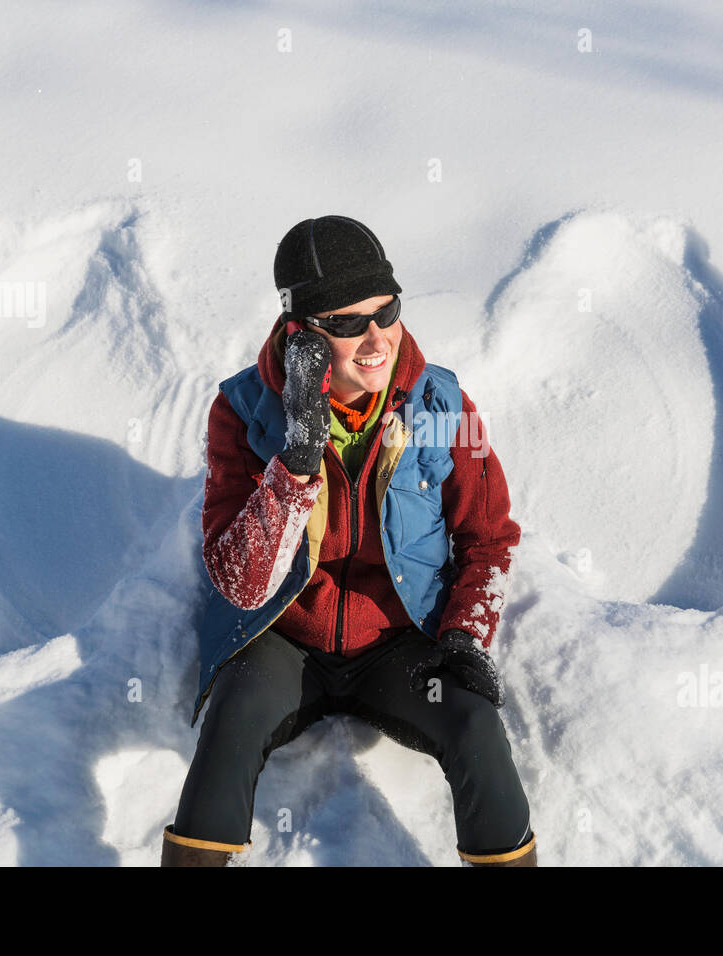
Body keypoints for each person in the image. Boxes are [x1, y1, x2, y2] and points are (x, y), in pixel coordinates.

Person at [162, 215, 535, 867]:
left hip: (400, 641)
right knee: (231, 720)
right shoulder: (242, 412)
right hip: (283, 639)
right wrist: (297, 459)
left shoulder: (441, 405)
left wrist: (465, 635)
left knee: (477, 726)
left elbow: (488, 537)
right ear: (301, 335)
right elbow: (240, 579)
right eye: (344, 323)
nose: (375, 339)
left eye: (385, 311)